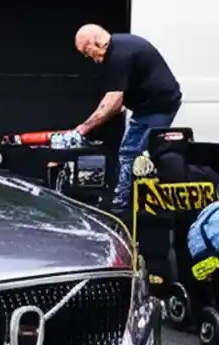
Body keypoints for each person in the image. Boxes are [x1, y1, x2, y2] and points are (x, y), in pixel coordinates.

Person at [71, 24, 182, 212]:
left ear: (93, 42)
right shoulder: (120, 47)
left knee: (138, 156)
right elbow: (117, 100)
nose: (88, 58)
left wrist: (84, 128)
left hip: (159, 106)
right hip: (146, 107)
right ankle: (124, 198)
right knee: (128, 152)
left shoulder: (119, 55)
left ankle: (129, 205)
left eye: (85, 52)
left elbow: (113, 101)